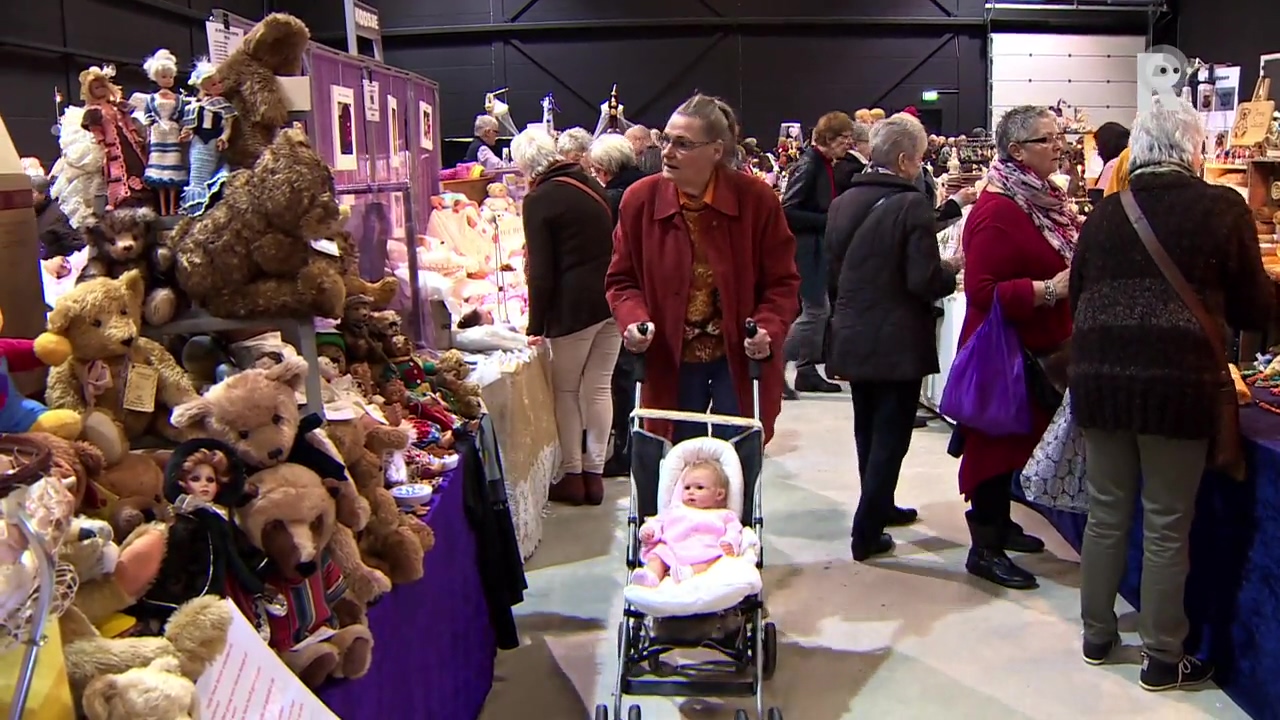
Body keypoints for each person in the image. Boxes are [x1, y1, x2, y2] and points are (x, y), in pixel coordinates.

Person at [1070, 97, 1272, 690]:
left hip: (1100, 379)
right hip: (1175, 384)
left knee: (1106, 511)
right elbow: (1253, 305)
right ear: (1193, 147)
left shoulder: (1107, 213)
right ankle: (1162, 657)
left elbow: (1080, 289)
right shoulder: (1221, 207)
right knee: (1166, 521)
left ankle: (1097, 634)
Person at [605, 93, 800, 446]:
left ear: (716, 150)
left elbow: (783, 283)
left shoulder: (757, 201)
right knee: (679, 463)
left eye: (683, 144)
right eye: (666, 140)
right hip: (669, 355)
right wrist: (632, 320)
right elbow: (622, 279)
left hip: (738, 356)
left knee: (735, 461)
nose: (667, 151)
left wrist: (768, 328)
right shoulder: (638, 200)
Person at [826, 114, 963, 561]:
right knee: (892, 433)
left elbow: (835, 271)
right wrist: (952, 269)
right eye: (920, 159)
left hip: (852, 329)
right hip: (897, 335)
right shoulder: (911, 205)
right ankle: (866, 528)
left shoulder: (843, 201)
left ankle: (879, 504)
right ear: (906, 161)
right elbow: (921, 279)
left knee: (867, 425)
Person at [957, 105, 1079, 590]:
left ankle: (1002, 526)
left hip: (1040, 349)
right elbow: (981, 292)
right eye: (1047, 140)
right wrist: (1051, 290)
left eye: (1057, 137)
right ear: (1016, 151)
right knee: (994, 447)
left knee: (1017, 446)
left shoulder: (1041, 200)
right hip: (1004, 356)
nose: (1059, 146)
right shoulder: (997, 211)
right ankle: (982, 548)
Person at [511, 128, 620, 506]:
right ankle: (595, 474)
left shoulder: (540, 199)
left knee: (568, 391)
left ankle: (573, 476)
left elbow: (540, 271)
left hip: (574, 309)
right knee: (599, 388)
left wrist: (535, 325)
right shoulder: (590, 184)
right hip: (611, 302)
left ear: (525, 165)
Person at [781, 111, 856, 396]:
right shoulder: (810, 165)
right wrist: (830, 220)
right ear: (829, 138)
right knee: (816, 311)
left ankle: (806, 370)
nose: (848, 144)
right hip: (806, 248)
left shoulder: (821, 164)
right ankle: (776, 362)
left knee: (817, 310)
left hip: (815, 247)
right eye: (844, 138)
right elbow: (789, 210)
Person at [587, 133, 649, 476]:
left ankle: (626, 450)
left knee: (623, 374)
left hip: (627, 294)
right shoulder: (649, 185)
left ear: (604, 168)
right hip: (651, 289)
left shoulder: (612, 199)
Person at [630, 459, 742, 586]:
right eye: (687, 487)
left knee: (716, 560)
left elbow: (735, 530)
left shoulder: (724, 515)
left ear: (719, 494)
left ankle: (689, 572)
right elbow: (657, 521)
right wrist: (650, 531)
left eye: (699, 487)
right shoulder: (675, 509)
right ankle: (651, 576)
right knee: (657, 555)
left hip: (704, 551)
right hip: (673, 548)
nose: (691, 491)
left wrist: (729, 542)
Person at [30, 174, 83, 279]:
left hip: (60, 276)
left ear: (43, 194)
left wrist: (62, 262)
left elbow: (78, 246)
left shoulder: (58, 215)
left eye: (32, 193)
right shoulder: (32, 212)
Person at [1090, 121, 1130, 202]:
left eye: (1098, 146)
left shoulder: (1113, 165)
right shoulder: (1129, 160)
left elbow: (1100, 198)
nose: (1098, 152)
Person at [833, 122, 871, 195]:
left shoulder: (842, 165)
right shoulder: (854, 170)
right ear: (855, 145)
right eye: (868, 142)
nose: (872, 146)